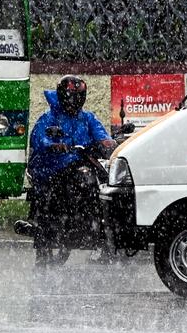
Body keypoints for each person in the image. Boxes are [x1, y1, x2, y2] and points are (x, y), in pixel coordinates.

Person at [17, 76, 115, 258]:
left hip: (80, 163)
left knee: (100, 185)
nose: (75, 100)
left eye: (79, 96)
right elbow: (39, 138)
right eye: (72, 96)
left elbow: (102, 135)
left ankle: (95, 227)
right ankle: (43, 230)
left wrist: (109, 143)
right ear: (63, 95)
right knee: (54, 191)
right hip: (50, 167)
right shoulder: (49, 117)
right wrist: (53, 145)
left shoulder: (87, 118)